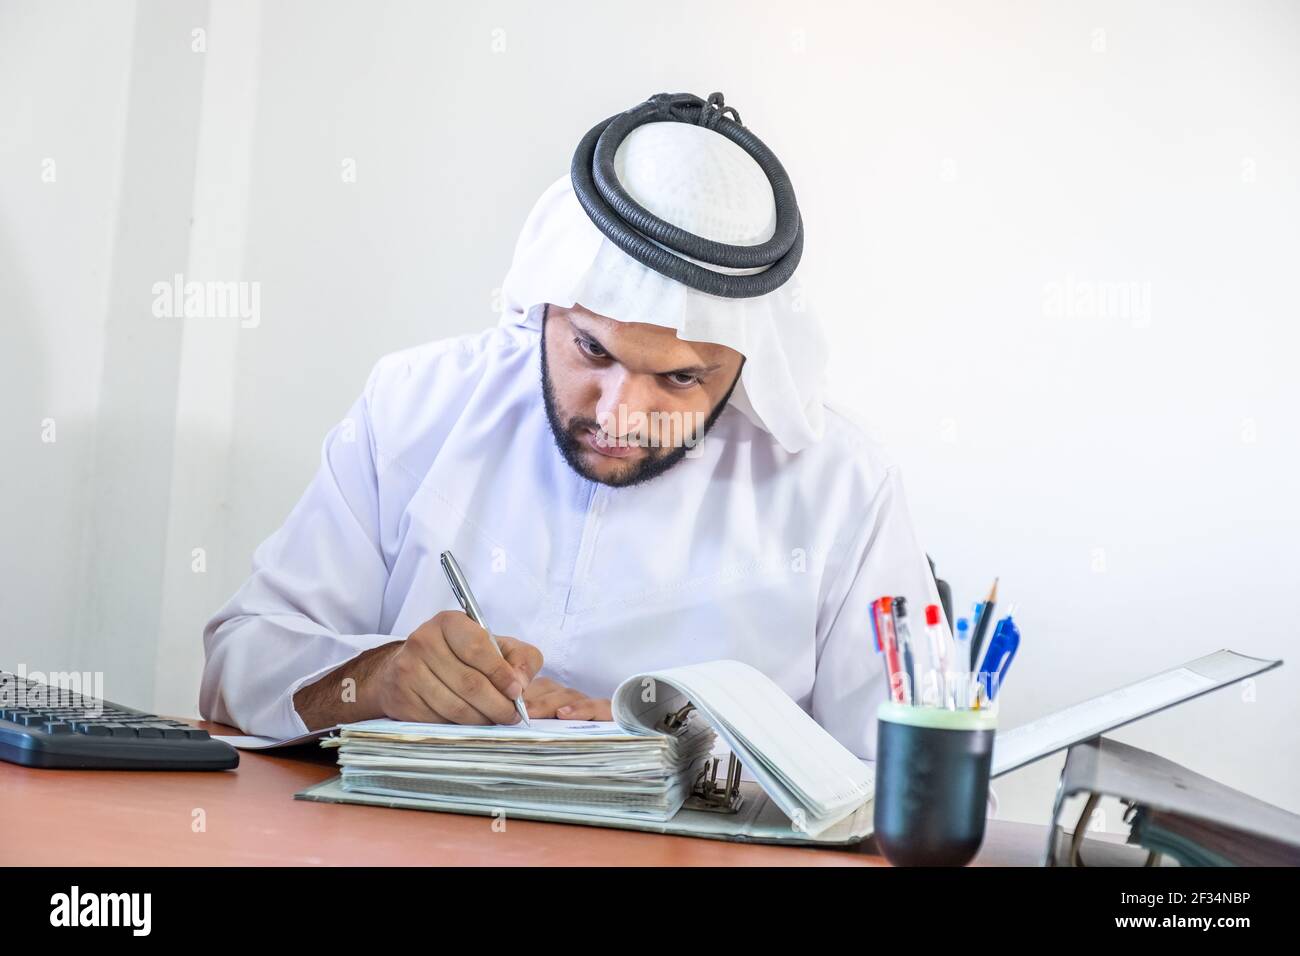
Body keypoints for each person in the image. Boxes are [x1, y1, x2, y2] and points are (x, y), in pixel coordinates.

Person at [199, 94, 945, 761]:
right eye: (593, 349)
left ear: (744, 365)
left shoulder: (842, 487)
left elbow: (914, 769)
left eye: (681, 378)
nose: (620, 415)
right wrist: (375, 678)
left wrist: (696, 743)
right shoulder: (416, 405)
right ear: (549, 301)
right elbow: (238, 661)